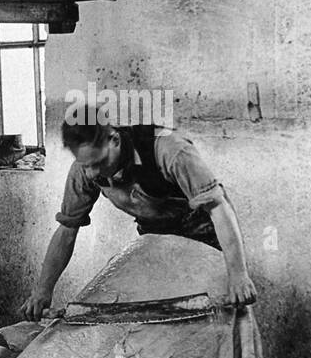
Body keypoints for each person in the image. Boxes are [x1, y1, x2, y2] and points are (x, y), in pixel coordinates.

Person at [21, 114, 256, 320]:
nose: (91, 173)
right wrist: (43, 290)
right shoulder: (85, 170)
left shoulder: (170, 149)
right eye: (86, 165)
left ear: (114, 140)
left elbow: (219, 209)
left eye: (98, 162)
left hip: (204, 239)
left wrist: (238, 274)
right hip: (155, 241)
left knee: (218, 314)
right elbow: (67, 231)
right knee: (156, 317)